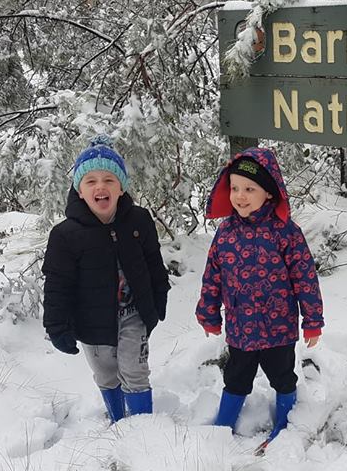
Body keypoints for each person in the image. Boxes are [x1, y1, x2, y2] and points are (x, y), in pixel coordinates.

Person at [196, 147, 324, 445]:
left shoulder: (286, 232)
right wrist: (209, 314)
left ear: (268, 193)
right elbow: (213, 276)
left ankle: (286, 422)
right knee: (236, 377)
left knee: (282, 376)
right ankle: (223, 425)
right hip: (241, 327)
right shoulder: (225, 233)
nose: (240, 195)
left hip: (278, 327)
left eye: (249, 189)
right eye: (235, 188)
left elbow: (305, 278)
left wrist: (313, 320)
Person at [42, 135, 170, 422]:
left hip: (134, 313)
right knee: (106, 372)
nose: (101, 186)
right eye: (91, 181)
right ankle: (118, 421)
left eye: (109, 180)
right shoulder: (65, 235)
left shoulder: (139, 220)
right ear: (80, 190)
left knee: (134, 370)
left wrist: (160, 296)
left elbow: (153, 262)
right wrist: (56, 326)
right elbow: (57, 285)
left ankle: (143, 430)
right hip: (91, 321)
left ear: (121, 188)